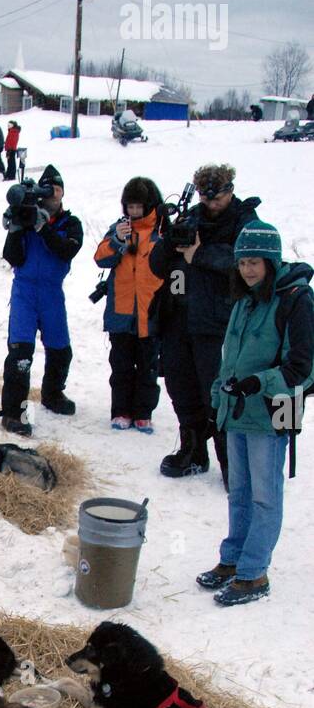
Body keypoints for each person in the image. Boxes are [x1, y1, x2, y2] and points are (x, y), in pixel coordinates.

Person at [197, 221, 312, 606]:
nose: (247, 270)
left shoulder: (296, 300)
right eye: (242, 262)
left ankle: (254, 572)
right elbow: (229, 358)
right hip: (238, 409)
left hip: (272, 411)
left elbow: (304, 366)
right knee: (238, 492)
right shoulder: (245, 301)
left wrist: (257, 384)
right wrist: (218, 399)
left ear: (272, 262)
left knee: (265, 495)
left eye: (255, 262)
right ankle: (232, 559)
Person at [149, 163, 261, 480]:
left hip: (220, 325)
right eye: (206, 196)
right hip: (179, 319)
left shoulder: (246, 222)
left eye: (218, 196)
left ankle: (232, 464)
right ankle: (193, 451)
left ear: (231, 191)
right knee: (181, 389)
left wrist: (199, 254)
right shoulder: (190, 218)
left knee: (220, 395)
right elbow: (158, 266)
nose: (211, 203)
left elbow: (248, 264)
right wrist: (171, 239)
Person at [0, 164, 83, 434]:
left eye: (56, 189)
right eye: (48, 189)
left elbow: (66, 251)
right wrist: (15, 229)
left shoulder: (71, 224)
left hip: (51, 292)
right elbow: (13, 257)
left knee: (60, 350)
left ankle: (52, 394)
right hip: (24, 292)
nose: (52, 195)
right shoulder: (25, 218)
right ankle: (15, 414)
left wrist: (43, 227)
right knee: (20, 355)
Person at [94, 178, 165, 433]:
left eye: (138, 207)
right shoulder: (119, 228)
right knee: (121, 365)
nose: (133, 212)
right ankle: (121, 411)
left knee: (148, 367)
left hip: (150, 313)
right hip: (121, 313)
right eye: (130, 207)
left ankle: (143, 412)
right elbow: (100, 259)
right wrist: (117, 241)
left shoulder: (161, 231)